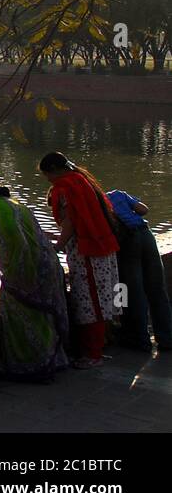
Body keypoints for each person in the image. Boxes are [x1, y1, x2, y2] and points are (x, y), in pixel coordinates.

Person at [0, 177, 70, 381]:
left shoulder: (1, 211)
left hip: (32, 273)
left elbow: (16, 248)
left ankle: (33, 366)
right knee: (43, 317)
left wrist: (13, 279)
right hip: (47, 266)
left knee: (12, 307)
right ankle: (51, 360)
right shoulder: (13, 204)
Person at [39, 152, 122, 369]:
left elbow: (70, 223)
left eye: (47, 175)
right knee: (108, 299)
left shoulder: (65, 187)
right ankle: (102, 347)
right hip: (103, 245)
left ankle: (92, 355)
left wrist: (56, 247)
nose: (48, 179)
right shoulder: (83, 180)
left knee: (90, 303)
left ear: (54, 170)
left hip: (87, 252)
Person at [106, 188, 172, 353]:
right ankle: (167, 338)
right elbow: (143, 210)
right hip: (145, 235)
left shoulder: (96, 203)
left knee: (132, 292)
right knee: (157, 289)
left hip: (126, 243)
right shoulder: (118, 194)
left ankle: (139, 339)